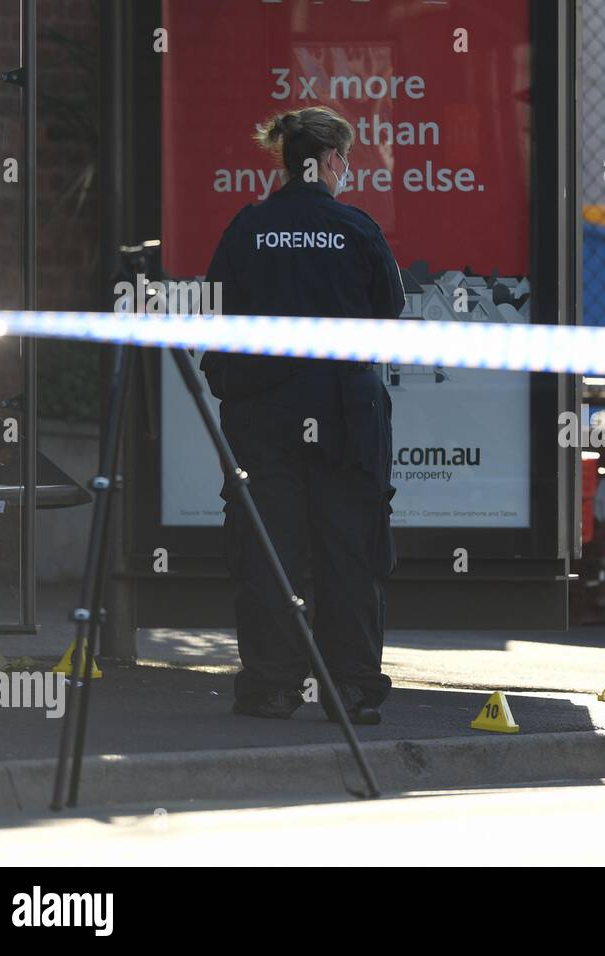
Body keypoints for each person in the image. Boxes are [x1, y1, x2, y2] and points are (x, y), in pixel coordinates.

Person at [199, 106, 405, 725]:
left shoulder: (248, 227)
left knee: (269, 550)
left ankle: (270, 687)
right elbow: (386, 309)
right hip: (344, 417)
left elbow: (219, 310)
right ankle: (353, 690)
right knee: (350, 551)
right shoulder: (357, 227)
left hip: (264, 416)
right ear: (332, 161)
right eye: (346, 158)